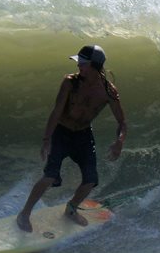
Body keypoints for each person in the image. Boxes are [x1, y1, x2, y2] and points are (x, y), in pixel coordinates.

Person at [15, 45, 127, 232]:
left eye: (83, 64)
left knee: (90, 180)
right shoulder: (70, 83)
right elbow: (57, 111)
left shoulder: (108, 92)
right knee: (50, 176)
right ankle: (24, 213)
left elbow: (122, 122)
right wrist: (46, 139)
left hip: (83, 136)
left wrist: (120, 142)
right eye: (79, 63)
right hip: (61, 133)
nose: (79, 67)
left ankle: (71, 208)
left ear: (94, 66)